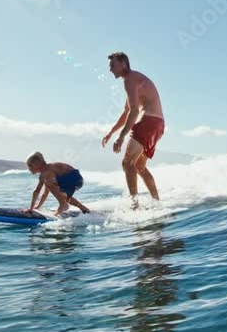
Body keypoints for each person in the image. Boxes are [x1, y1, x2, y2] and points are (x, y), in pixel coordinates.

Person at [101, 51, 164, 206]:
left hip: (148, 122)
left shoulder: (129, 79)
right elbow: (127, 111)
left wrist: (121, 137)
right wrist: (111, 133)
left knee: (127, 163)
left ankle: (134, 207)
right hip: (158, 124)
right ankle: (157, 203)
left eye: (112, 65)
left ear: (123, 63)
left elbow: (135, 111)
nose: (110, 69)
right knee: (139, 165)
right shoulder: (134, 80)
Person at [23, 151, 90, 215]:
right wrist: (38, 206)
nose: (29, 168)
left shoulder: (46, 172)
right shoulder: (48, 172)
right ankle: (83, 208)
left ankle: (63, 205)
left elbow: (37, 191)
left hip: (73, 178)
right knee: (64, 196)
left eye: (30, 166)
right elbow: (45, 193)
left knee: (50, 186)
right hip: (77, 180)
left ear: (36, 164)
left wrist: (31, 208)